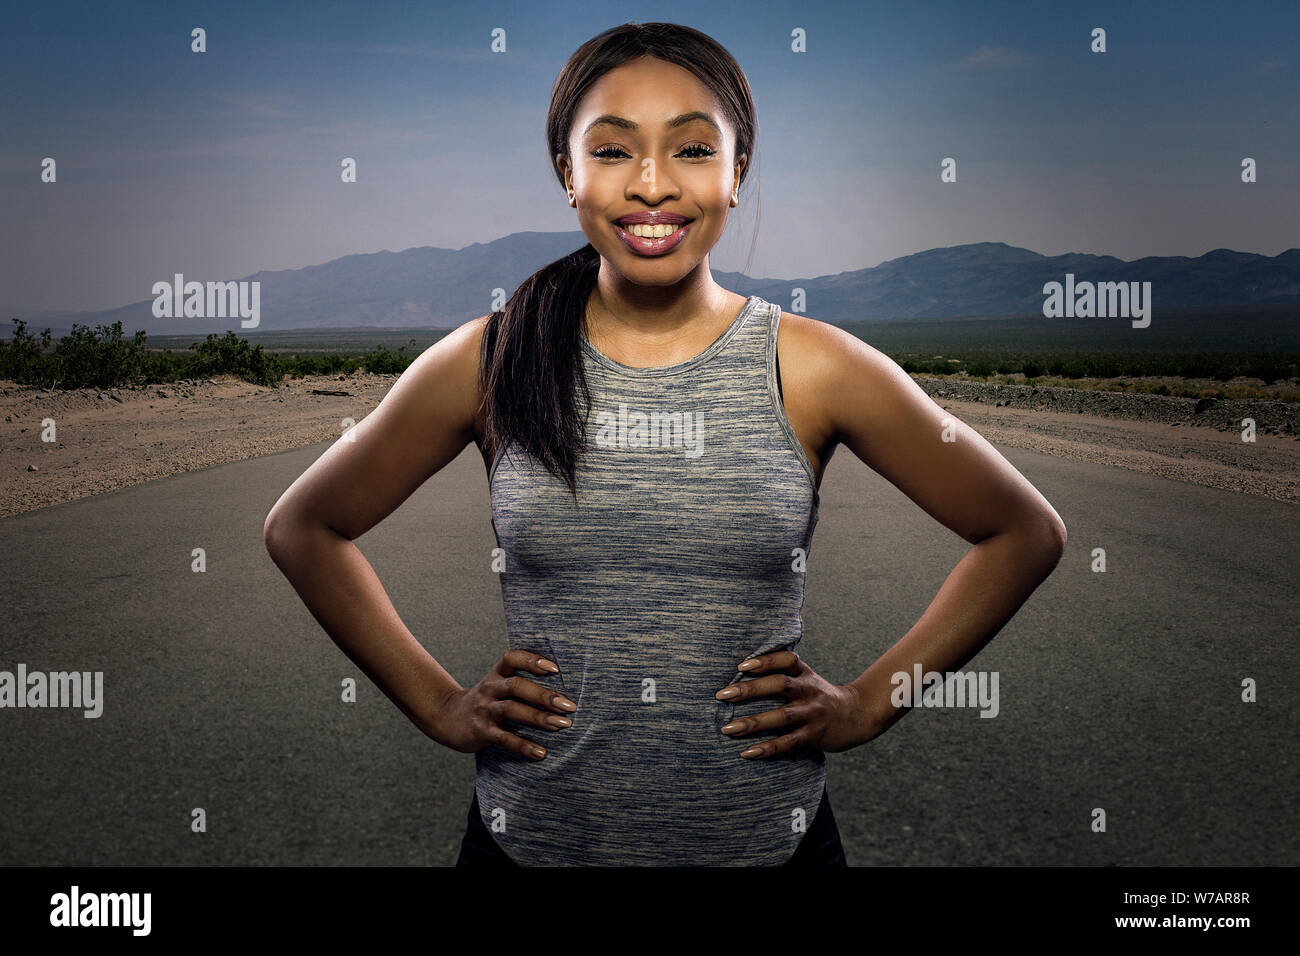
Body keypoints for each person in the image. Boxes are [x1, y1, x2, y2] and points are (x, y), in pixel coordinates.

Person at [263, 22, 1067, 867]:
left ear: (736, 173)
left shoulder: (814, 365)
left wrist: (868, 704)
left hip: (769, 849)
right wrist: (440, 707)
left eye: (691, 149)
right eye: (612, 152)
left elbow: (1024, 532)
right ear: (568, 175)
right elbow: (304, 528)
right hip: (529, 847)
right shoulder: (491, 359)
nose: (651, 185)